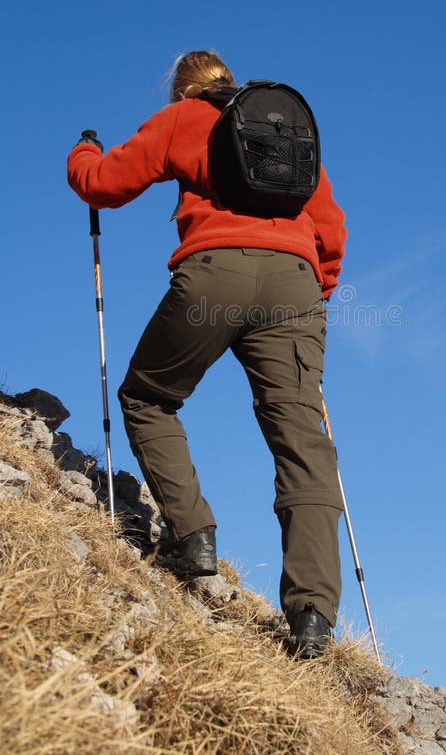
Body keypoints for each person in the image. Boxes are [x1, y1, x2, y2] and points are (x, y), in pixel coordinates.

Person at [67, 50, 347, 658]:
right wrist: (312, 290)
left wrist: (83, 151)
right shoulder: (280, 125)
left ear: (182, 88)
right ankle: (313, 619)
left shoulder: (184, 120)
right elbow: (331, 229)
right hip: (296, 287)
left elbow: (104, 184)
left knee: (148, 396)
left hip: (213, 277)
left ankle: (192, 534)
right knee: (302, 442)